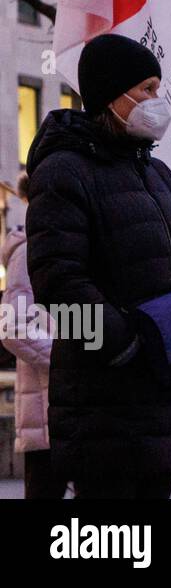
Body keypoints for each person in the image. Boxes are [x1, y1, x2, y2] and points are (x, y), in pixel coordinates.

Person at [25, 34, 171, 499]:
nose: (157, 101)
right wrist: (129, 342)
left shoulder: (156, 174)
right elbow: (59, 282)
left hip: (163, 393)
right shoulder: (64, 172)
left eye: (159, 89)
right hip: (106, 399)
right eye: (146, 90)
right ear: (110, 95)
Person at [1, 174, 64, 498]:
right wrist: (67, 357)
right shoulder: (28, 252)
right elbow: (13, 327)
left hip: (76, 408)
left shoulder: (65, 242)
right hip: (45, 412)